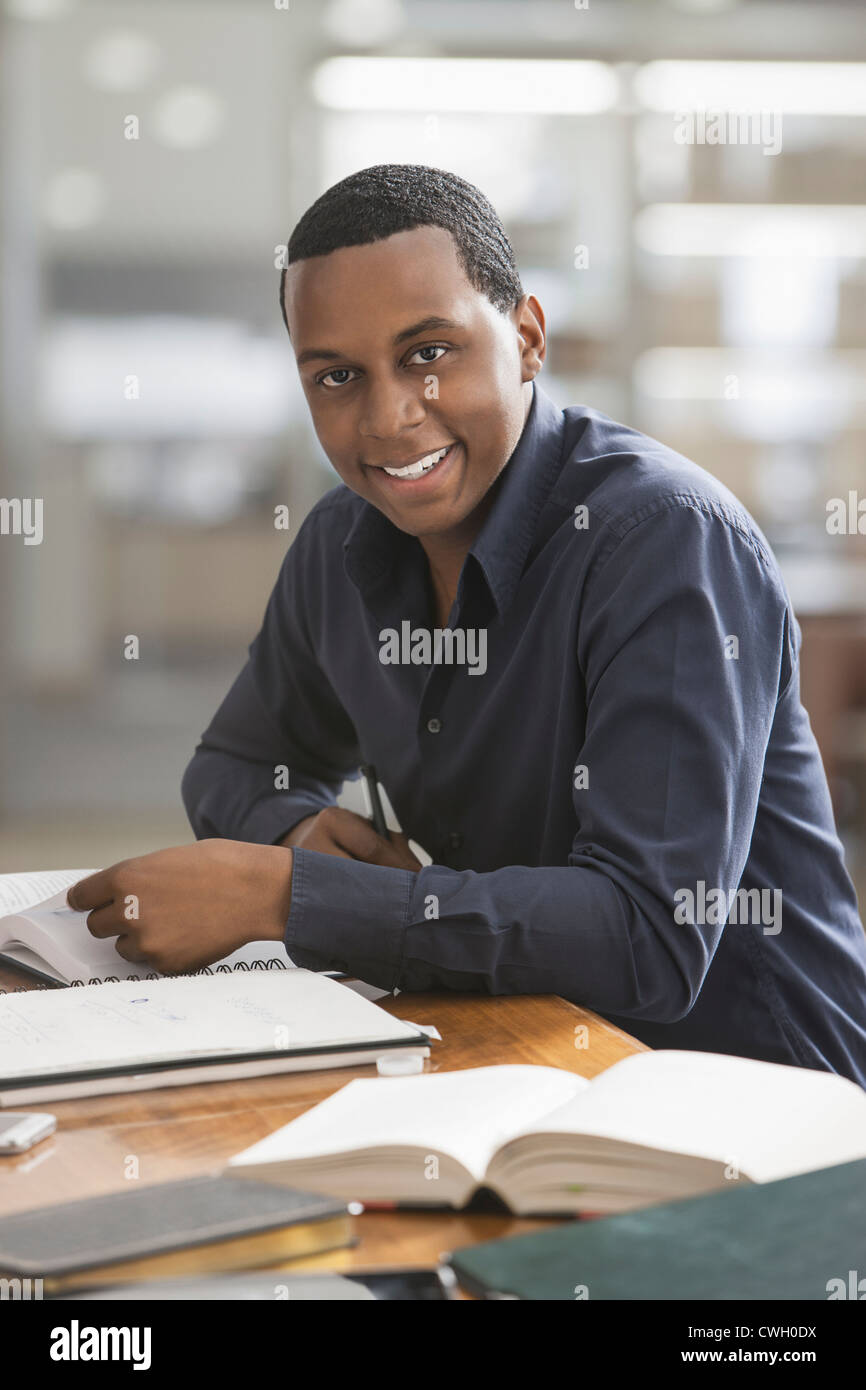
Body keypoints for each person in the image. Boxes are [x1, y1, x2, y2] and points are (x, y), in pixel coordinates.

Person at [68, 164, 866, 1086]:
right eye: (337, 376)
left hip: (750, 1107)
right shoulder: (340, 543)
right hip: (514, 1058)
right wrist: (292, 836)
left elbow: (650, 936)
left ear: (527, 338)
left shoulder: (664, 540)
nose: (390, 417)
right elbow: (238, 765)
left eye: (429, 353)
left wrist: (287, 894)